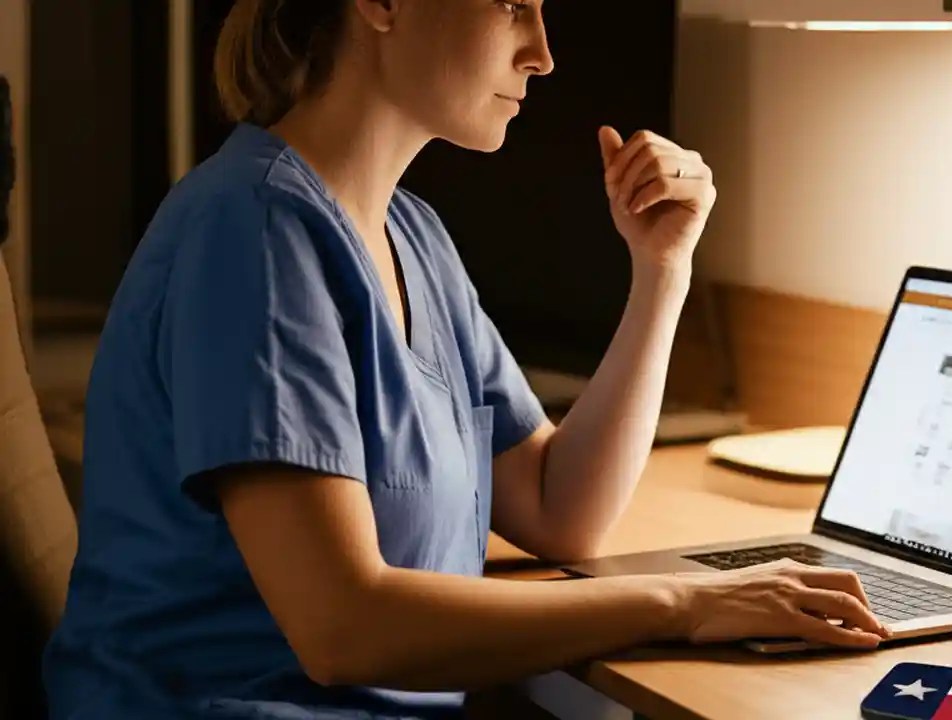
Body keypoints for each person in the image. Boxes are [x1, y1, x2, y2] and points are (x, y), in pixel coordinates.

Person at [42, 1, 889, 717]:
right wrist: (685, 601)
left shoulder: (412, 234)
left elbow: (562, 510)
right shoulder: (254, 233)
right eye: (511, 4)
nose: (544, 54)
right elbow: (343, 628)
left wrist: (662, 271)